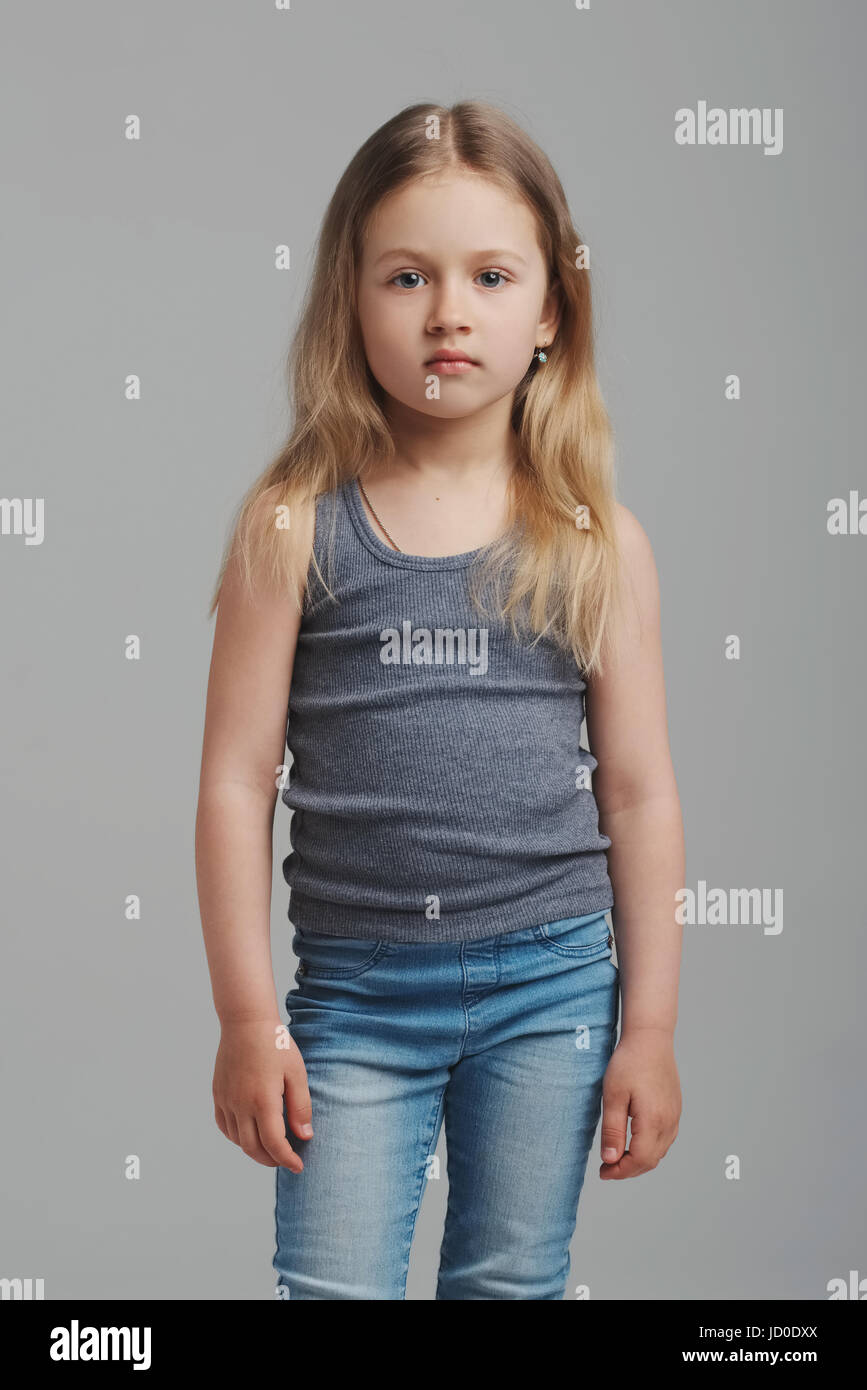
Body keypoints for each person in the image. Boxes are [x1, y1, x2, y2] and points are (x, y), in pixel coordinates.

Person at [195, 100, 684, 1301]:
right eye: (407, 276)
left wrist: (652, 1030)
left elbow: (639, 788)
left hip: (553, 985)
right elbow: (231, 783)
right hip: (357, 994)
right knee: (335, 1287)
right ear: (350, 301)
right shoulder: (293, 528)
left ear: (550, 311)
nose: (450, 312)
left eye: (491, 275)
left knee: (514, 1282)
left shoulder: (594, 540)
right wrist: (248, 1019)